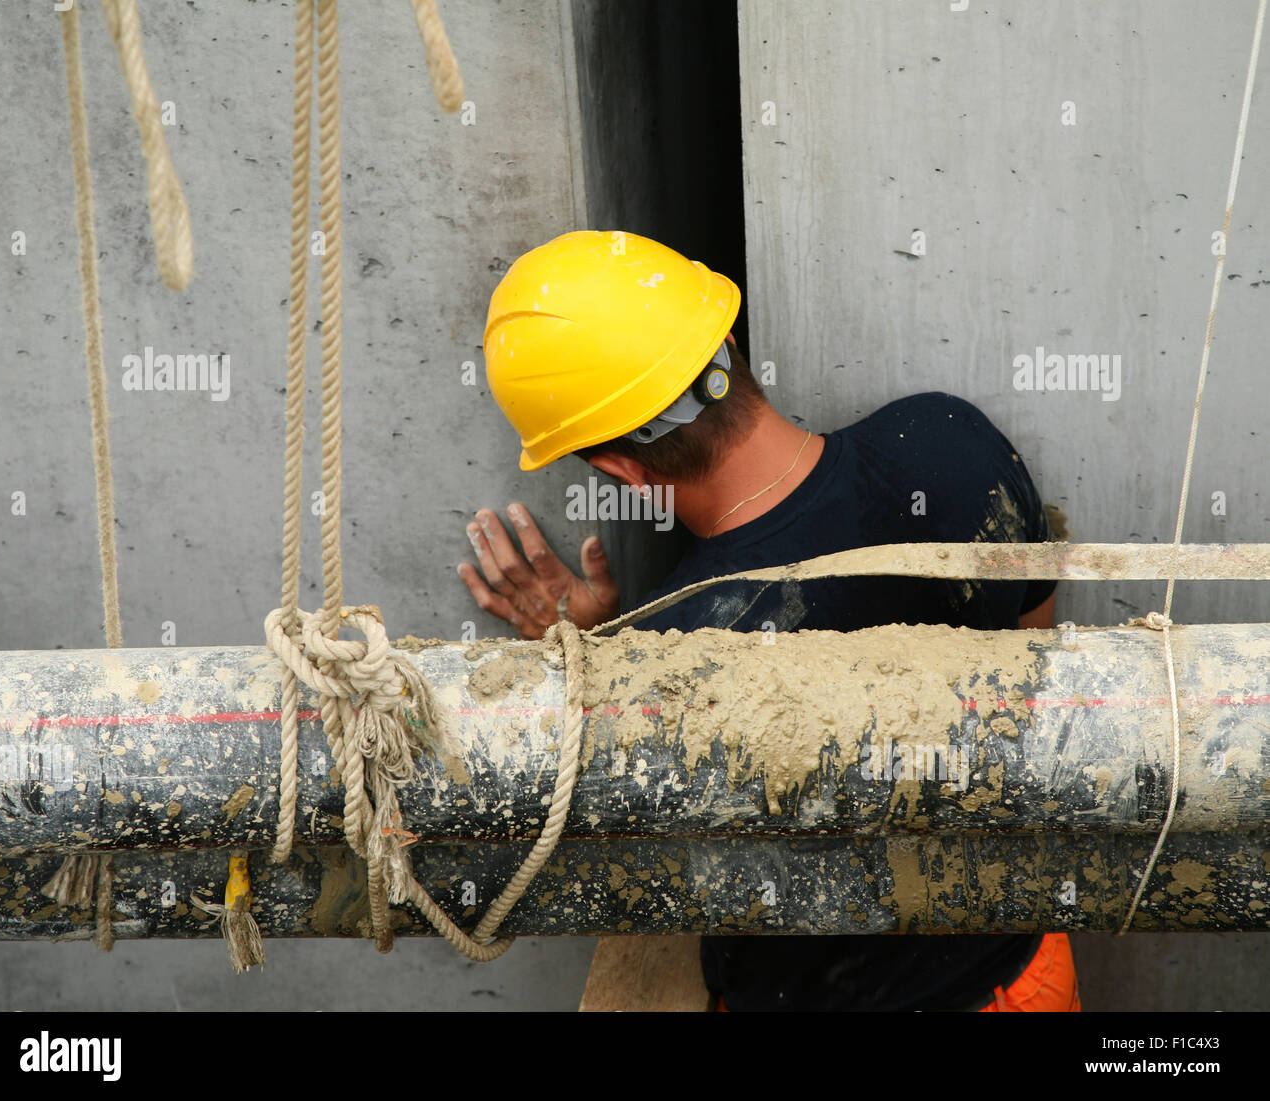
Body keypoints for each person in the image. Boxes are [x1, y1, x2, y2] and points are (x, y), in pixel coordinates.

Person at [459, 229, 1078, 1012]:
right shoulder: (951, 440)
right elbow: (1041, 659)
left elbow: (654, 862)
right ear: (725, 343)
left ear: (620, 468)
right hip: (1018, 973)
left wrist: (598, 658)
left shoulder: (678, 644)